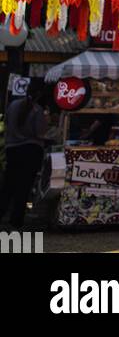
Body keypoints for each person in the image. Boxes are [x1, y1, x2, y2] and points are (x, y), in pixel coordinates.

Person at [0, 81, 49, 229]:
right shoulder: (37, 110)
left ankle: (2, 213)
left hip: (12, 149)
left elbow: (7, 124)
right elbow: (39, 133)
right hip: (31, 151)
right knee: (24, 187)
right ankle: (16, 220)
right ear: (39, 94)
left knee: (8, 185)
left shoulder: (13, 105)